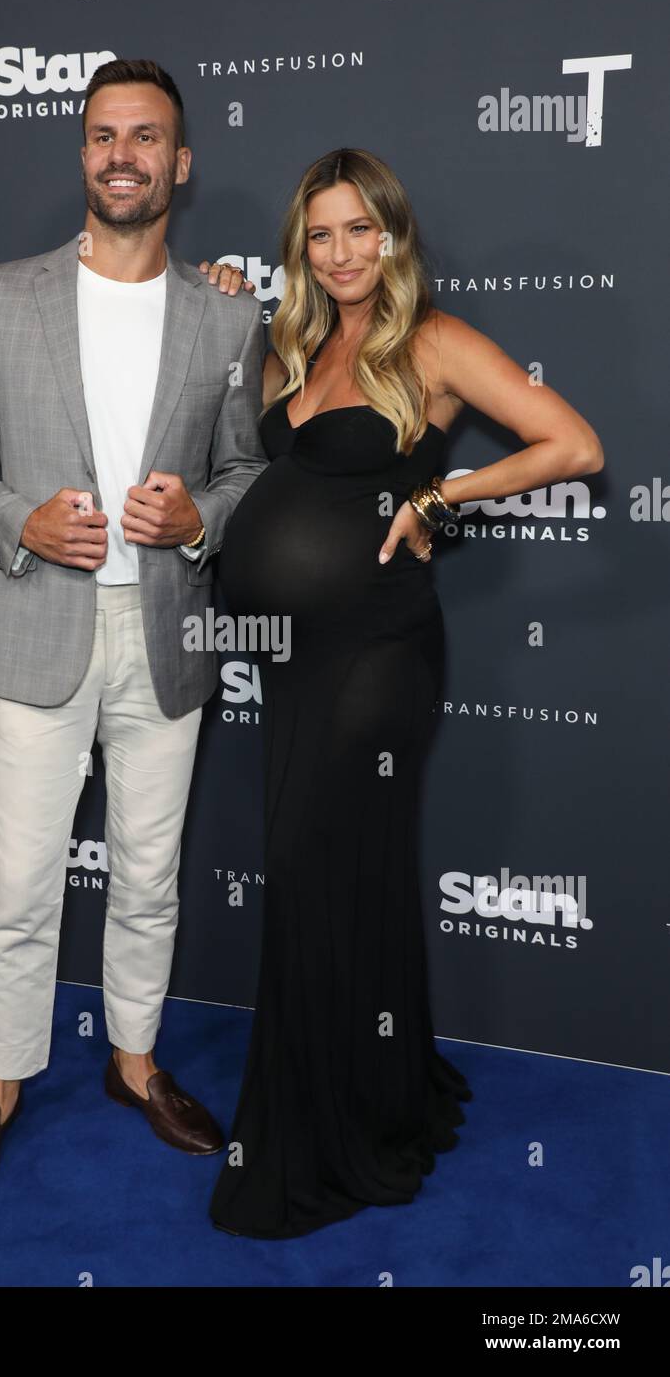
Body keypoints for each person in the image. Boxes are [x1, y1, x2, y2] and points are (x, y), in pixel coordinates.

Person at [207, 147, 604, 1239]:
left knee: (307, 871)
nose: (339, 254)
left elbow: (570, 443)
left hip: (377, 658)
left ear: (391, 235)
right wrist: (228, 302)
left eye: (357, 230)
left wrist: (442, 496)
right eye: (319, 235)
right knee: (337, 878)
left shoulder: (429, 340)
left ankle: (329, 1137)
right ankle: (377, 1090)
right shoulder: (295, 343)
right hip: (288, 656)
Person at [0, 58, 267, 1197]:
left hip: (167, 633)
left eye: (147, 136)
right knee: (20, 882)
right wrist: (20, 521)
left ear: (179, 162)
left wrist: (197, 517)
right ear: (82, 155)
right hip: (38, 623)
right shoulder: (1, 292)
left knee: (149, 873)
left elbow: (249, 467)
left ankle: (132, 1060)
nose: (125, 153)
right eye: (105, 134)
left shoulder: (226, 310)